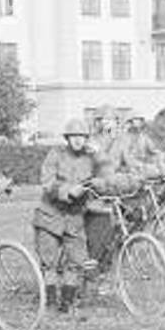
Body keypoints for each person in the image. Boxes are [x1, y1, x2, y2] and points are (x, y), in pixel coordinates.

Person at [33, 118, 99, 313]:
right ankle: (51, 301)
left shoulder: (90, 158)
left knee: (76, 262)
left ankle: (67, 302)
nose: (78, 140)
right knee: (49, 262)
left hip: (75, 218)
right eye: (74, 136)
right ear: (67, 138)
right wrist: (67, 191)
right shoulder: (55, 154)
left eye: (82, 136)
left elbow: (104, 176)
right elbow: (47, 182)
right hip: (50, 216)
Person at [109, 112, 165, 178]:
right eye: (138, 119)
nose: (140, 122)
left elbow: (153, 150)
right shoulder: (124, 138)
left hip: (141, 164)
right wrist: (139, 165)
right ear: (131, 122)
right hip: (128, 167)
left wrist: (160, 156)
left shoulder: (143, 136)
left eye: (141, 120)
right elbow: (127, 157)